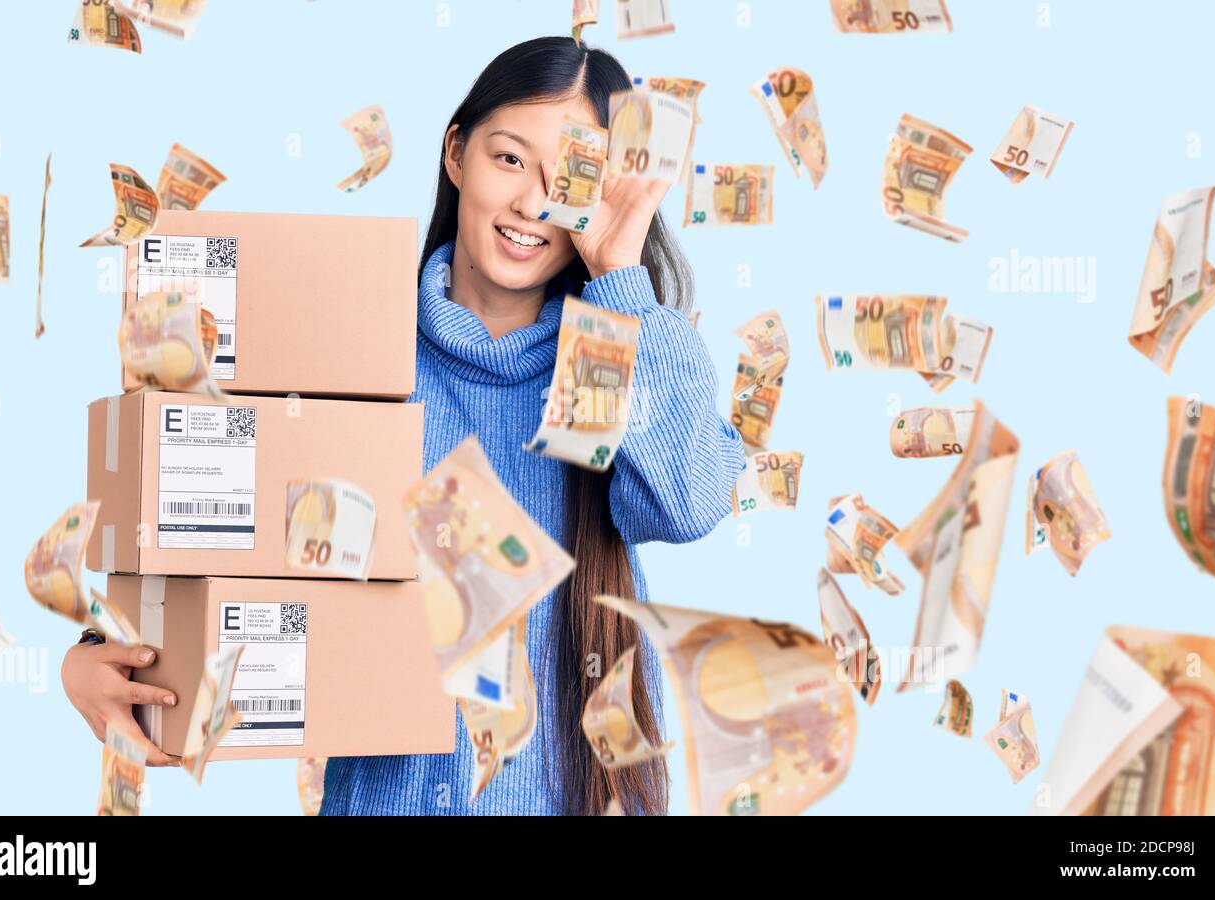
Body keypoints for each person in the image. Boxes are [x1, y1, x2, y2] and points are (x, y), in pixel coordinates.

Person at [61, 35, 745, 816]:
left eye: (574, 174)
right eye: (511, 159)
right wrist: (87, 660)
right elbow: (210, 520)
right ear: (457, 154)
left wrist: (621, 269)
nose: (533, 203)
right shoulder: (352, 345)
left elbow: (691, 501)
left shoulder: (612, 363)